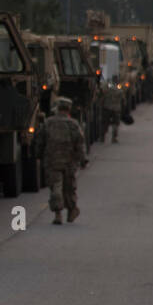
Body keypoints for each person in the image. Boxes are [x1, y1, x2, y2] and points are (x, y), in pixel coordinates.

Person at [44, 96, 87, 224]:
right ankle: (71, 210)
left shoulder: (48, 122)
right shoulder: (73, 124)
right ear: (69, 109)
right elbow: (80, 143)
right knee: (69, 188)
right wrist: (83, 159)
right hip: (69, 162)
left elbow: (40, 140)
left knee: (56, 187)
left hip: (52, 161)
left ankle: (58, 214)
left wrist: (39, 154)